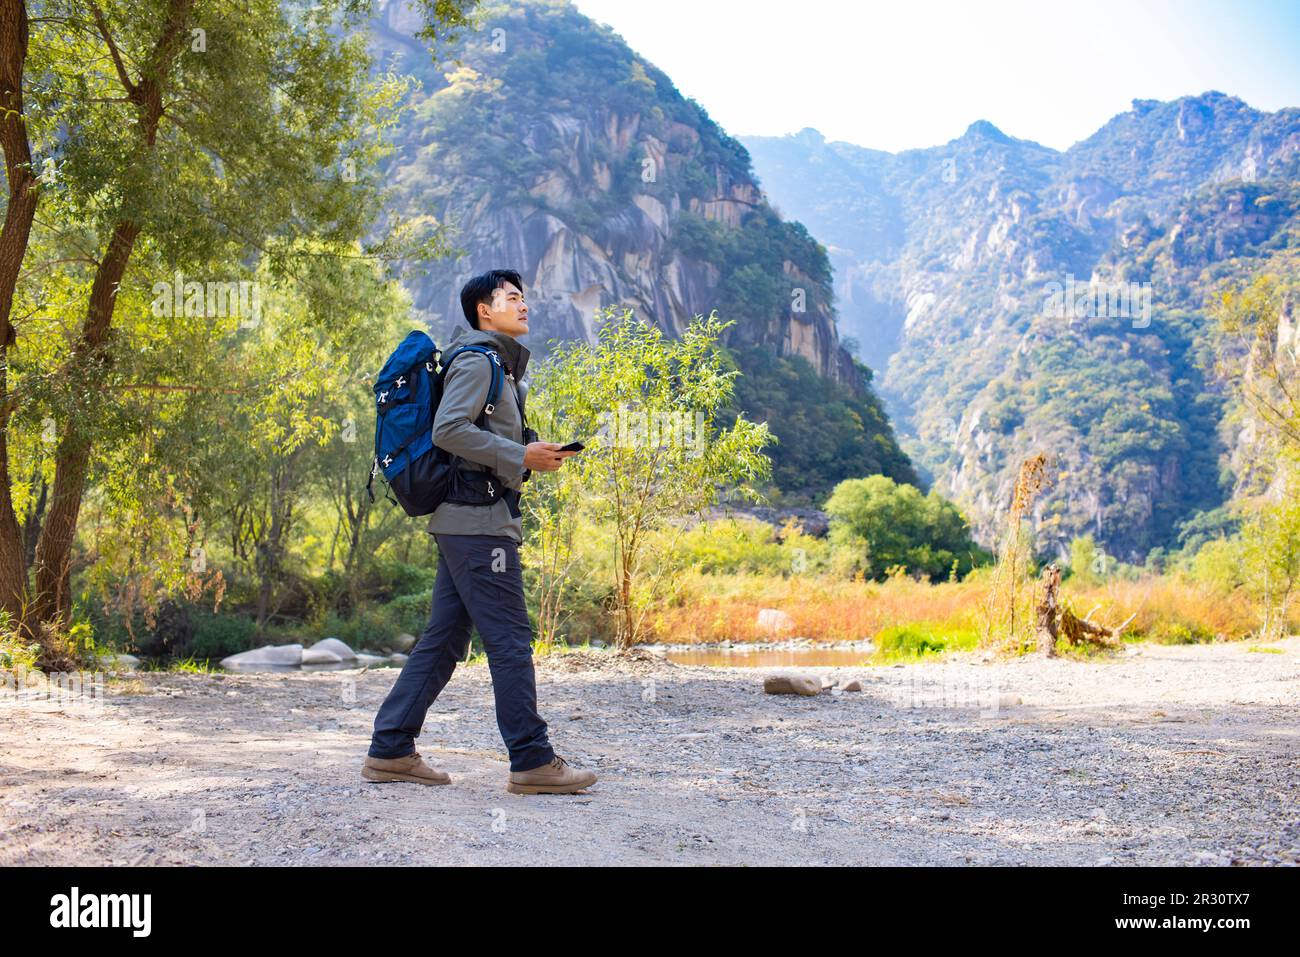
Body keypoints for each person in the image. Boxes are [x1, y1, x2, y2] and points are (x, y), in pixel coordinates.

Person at [362, 269, 597, 795]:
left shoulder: (497, 366)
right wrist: (518, 453)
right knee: (510, 639)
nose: (524, 305)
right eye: (512, 298)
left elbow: (479, 436)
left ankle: (391, 749)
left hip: (471, 522)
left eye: (524, 297)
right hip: (479, 526)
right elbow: (448, 429)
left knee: (444, 640)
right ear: (483, 311)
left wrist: (530, 454)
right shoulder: (476, 359)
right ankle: (533, 760)